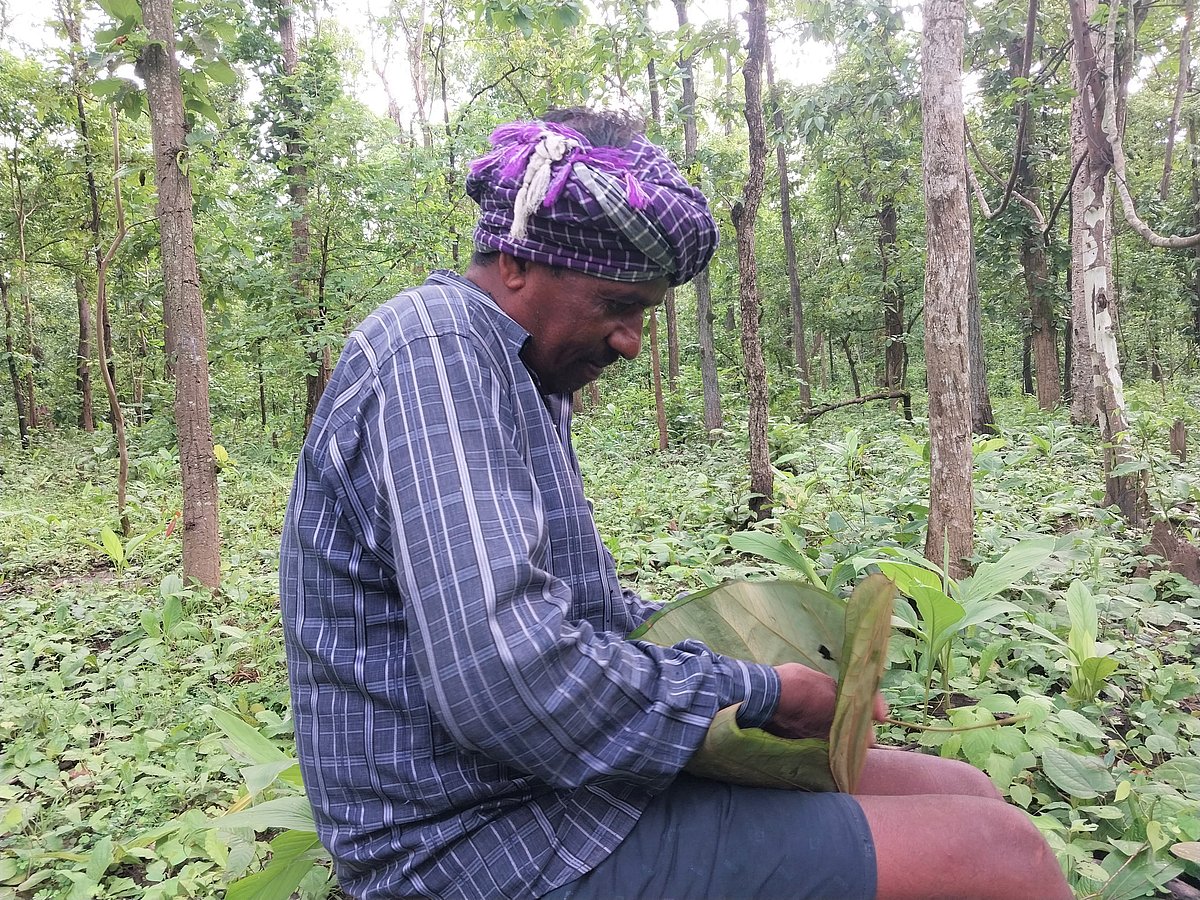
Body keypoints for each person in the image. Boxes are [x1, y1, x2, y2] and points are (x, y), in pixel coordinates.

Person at [279, 108, 1071, 900]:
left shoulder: (523, 373)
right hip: (476, 841)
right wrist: (759, 693)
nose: (630, 340)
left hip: (559, 788)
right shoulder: (437, 349)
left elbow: (583, 613)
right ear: (516, 262)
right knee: (1004, 856)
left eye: (644, 313)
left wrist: (767, 664)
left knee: (967, 789)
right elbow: (505, 680)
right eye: (615, 304)